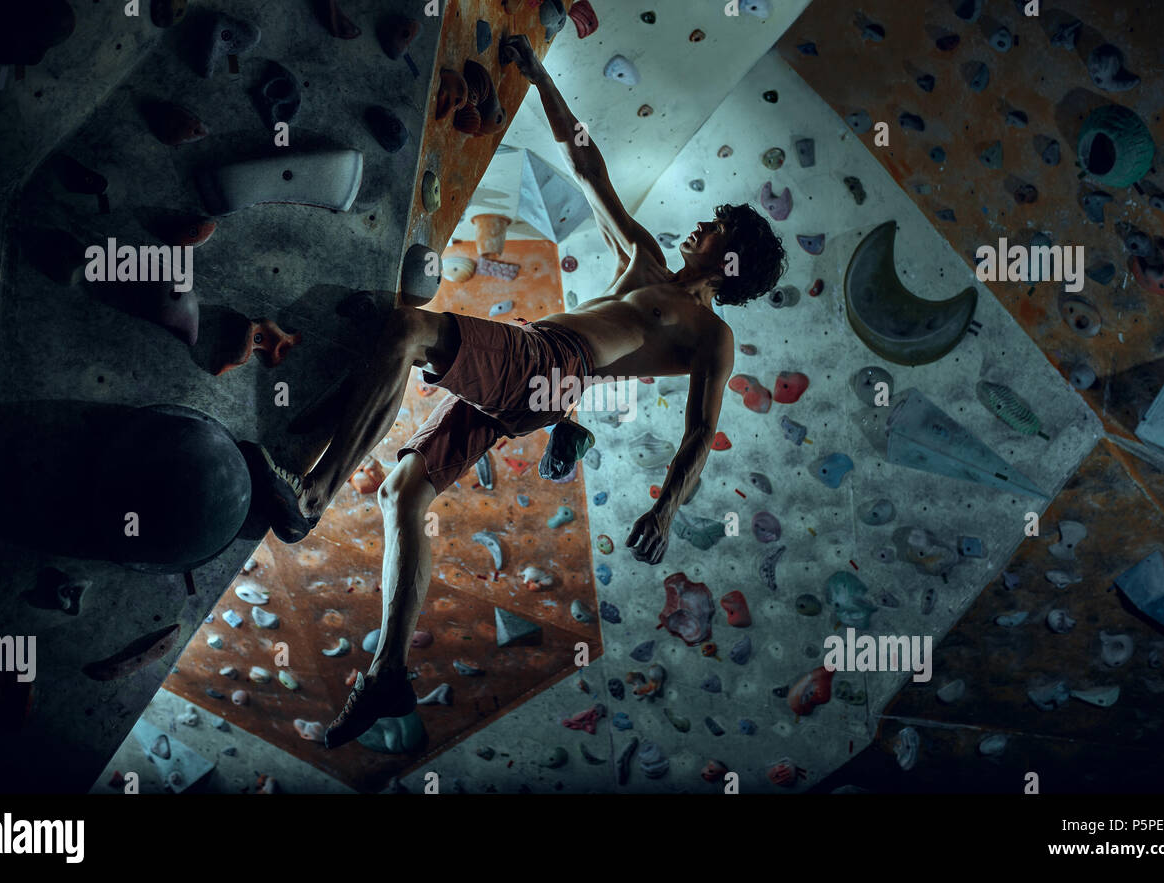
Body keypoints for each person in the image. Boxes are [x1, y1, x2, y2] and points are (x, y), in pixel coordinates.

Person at [247, 35, 787, 749]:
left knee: (408, 331)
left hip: (551, 364)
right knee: (403, 491)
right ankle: (385, 673)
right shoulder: (646, 258)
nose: (702, 225)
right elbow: (587, 165)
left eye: (717, 227)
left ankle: (311, 495)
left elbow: (698, 432)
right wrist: (538, 79)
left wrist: (665, 507)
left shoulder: (710, 334)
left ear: (732, 257)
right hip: (538, 383)